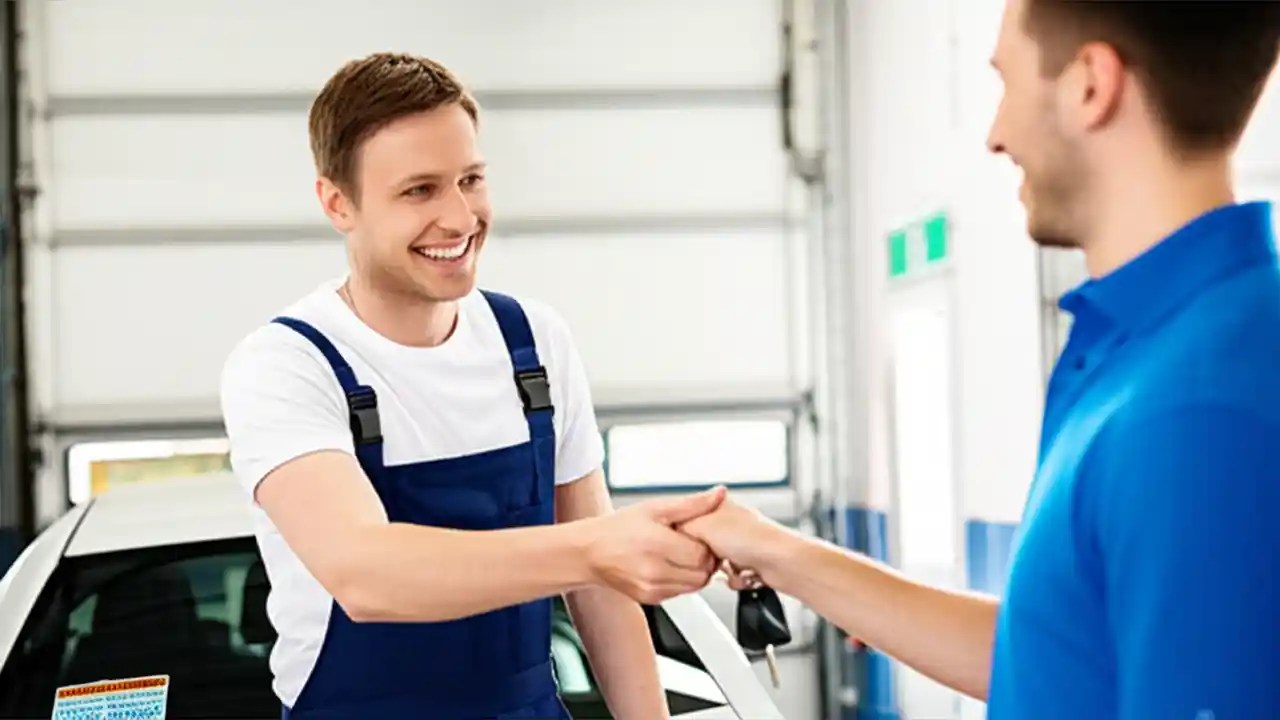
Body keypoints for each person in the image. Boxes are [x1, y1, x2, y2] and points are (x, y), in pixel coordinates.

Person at [683, 1, 1280, 718]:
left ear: (1091, 84)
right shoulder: (1147, 351)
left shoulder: (1199, 412)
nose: (997, 136)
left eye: (1006, 82)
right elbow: (1056, 653)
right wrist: (777, 551)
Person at [219, 52, 724, 720]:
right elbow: (367, 575)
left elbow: (604, 596)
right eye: (419, 191)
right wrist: (596, 549)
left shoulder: (534, 347)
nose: (460, 219)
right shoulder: (287, 365)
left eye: (471, 179)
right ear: (338, 203)